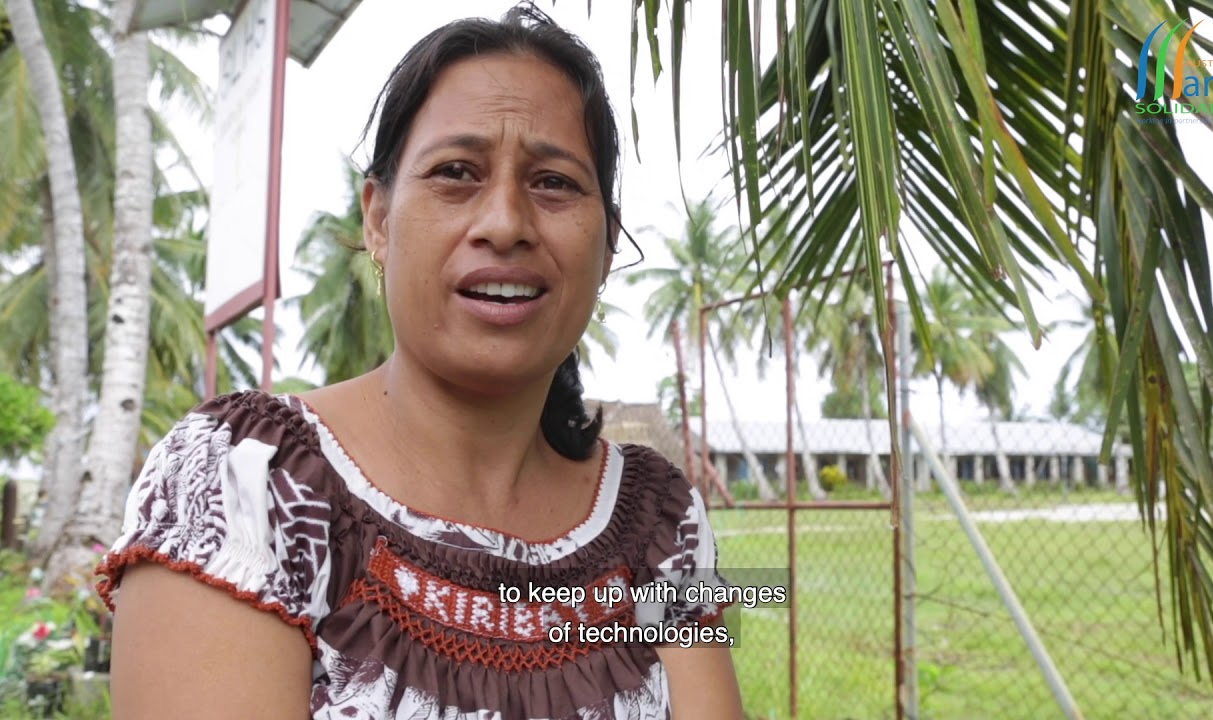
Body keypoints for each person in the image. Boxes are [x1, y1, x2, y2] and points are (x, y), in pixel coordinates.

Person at [95, 5, 744, 719]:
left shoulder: (660, 519)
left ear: (609, 244)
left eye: (554, 182)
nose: (505, 224)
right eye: (456, 172)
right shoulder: (247, 480)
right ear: (378, 219)